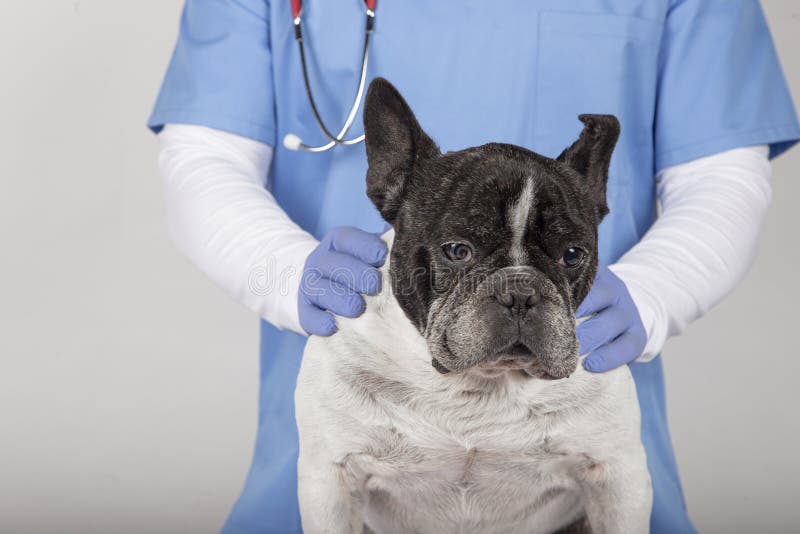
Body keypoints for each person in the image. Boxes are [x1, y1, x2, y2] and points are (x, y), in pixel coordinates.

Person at [149, 1, 800, 532]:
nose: (509, 293)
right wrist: (276, 266)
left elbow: (721, 175)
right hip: (366, 377)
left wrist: (659, 289)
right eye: (459, 253)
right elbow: (203, 155)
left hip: (569, 421)